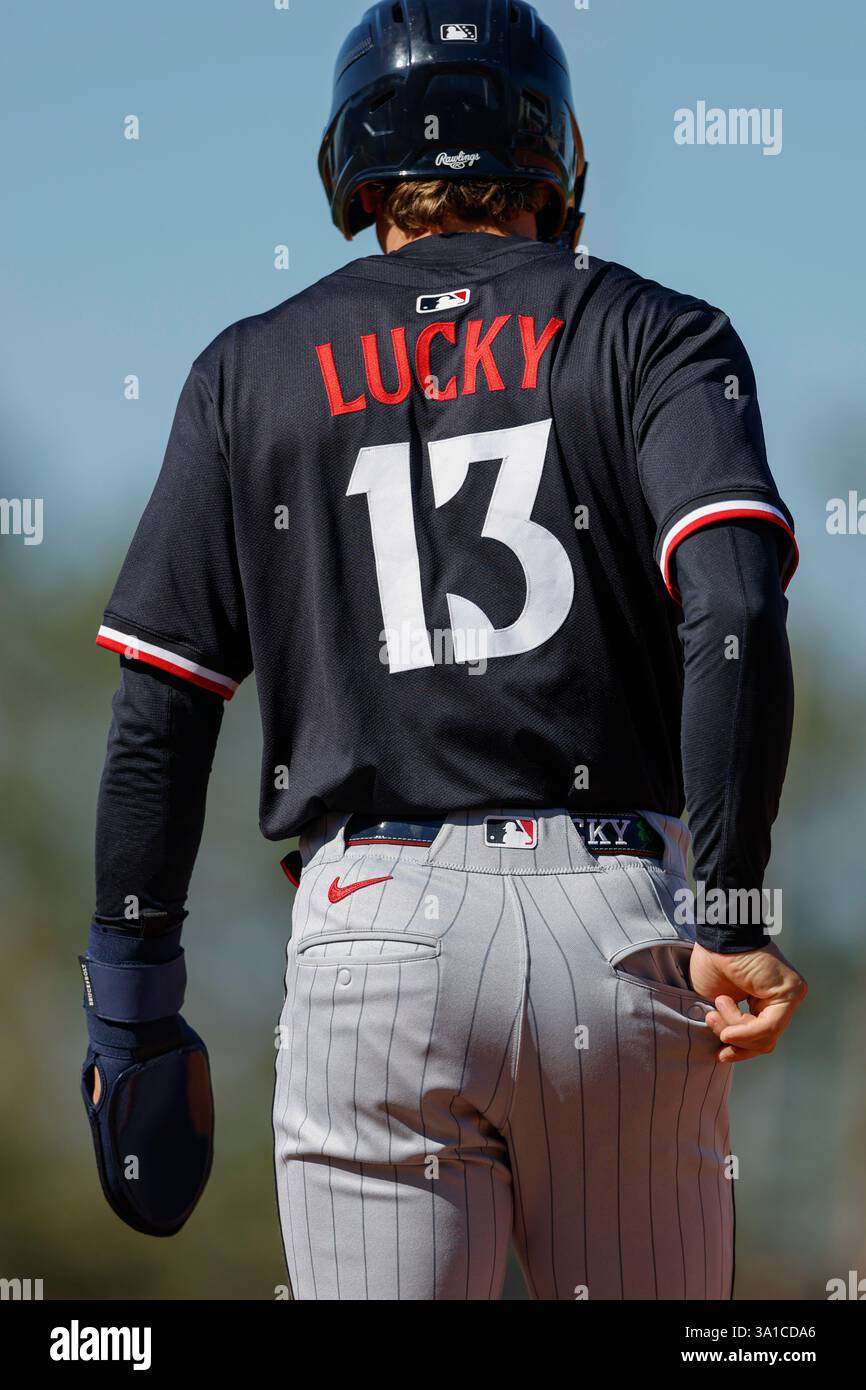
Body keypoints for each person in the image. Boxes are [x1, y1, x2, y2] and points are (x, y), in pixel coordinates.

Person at [79, 0, 807, 1299]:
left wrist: (130, 1005)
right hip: (620, 922)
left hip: (370, 926)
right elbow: (735, 610)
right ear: (550, 154)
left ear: (354, 161)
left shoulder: (248, 370)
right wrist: (734, 906)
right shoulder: (655, 331)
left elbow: (162, 705)